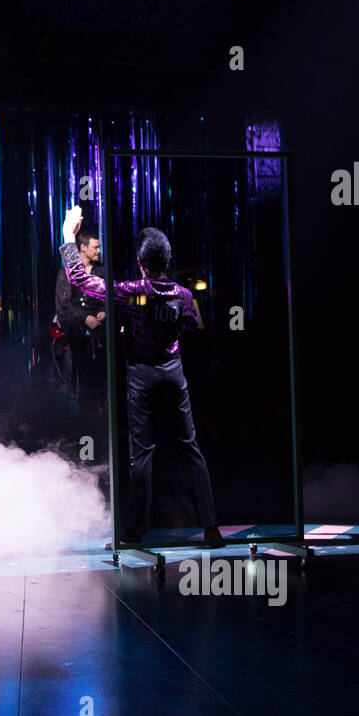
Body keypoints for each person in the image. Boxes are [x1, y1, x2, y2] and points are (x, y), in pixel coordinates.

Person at [58, 206, 222, 546]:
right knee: (190, 449)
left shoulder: (132, 291)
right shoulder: (184, 294)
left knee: (143, 453)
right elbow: (192, 324)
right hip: (173, 371)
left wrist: (67, 239)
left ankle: (134, 531)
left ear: (141, 262)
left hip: (142, 375)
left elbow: (83, 281)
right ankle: (211, 527)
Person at [54, 228, 107, 411]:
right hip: (77, 339)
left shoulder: (102, 273)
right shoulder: (66, 273)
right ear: (83, 248)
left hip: (100, 340)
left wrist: (104, 312)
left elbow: (111, 298)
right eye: (96, 247)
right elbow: (63, 306)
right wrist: (84, 318)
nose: (99, 251)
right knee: (81, 383)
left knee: (100, 382)